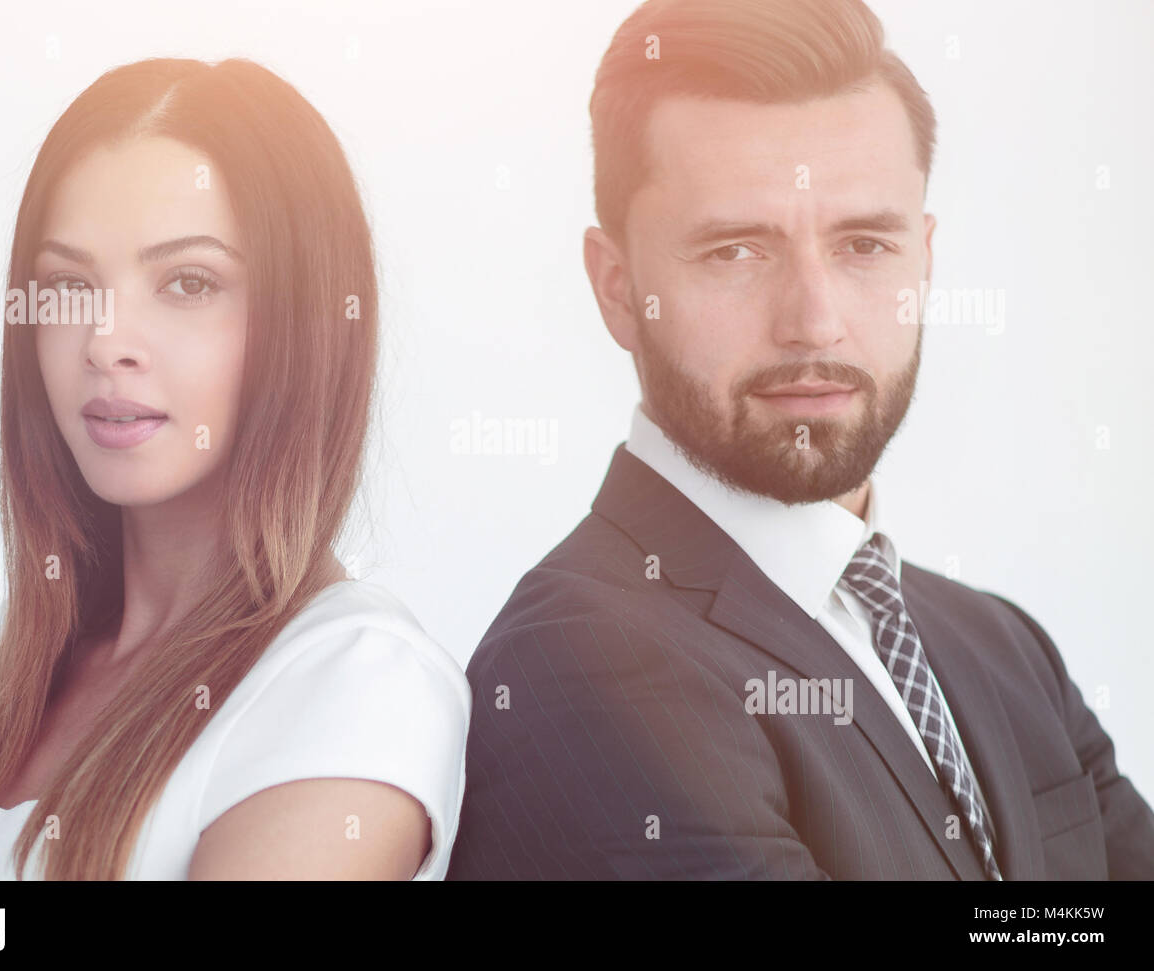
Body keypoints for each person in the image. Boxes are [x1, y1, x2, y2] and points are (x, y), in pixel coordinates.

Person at [447, 0, 1154, 879]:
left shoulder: (1002, 648)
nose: (815, 323)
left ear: (923, 259)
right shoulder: (575, 668)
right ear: (618, 288)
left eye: (865, 244)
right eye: (737, 251)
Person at [0, 57, 470, 880]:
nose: (106, 340)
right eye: (70, 285)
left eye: (187, 282)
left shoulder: (357, 682)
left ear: (307, 322)